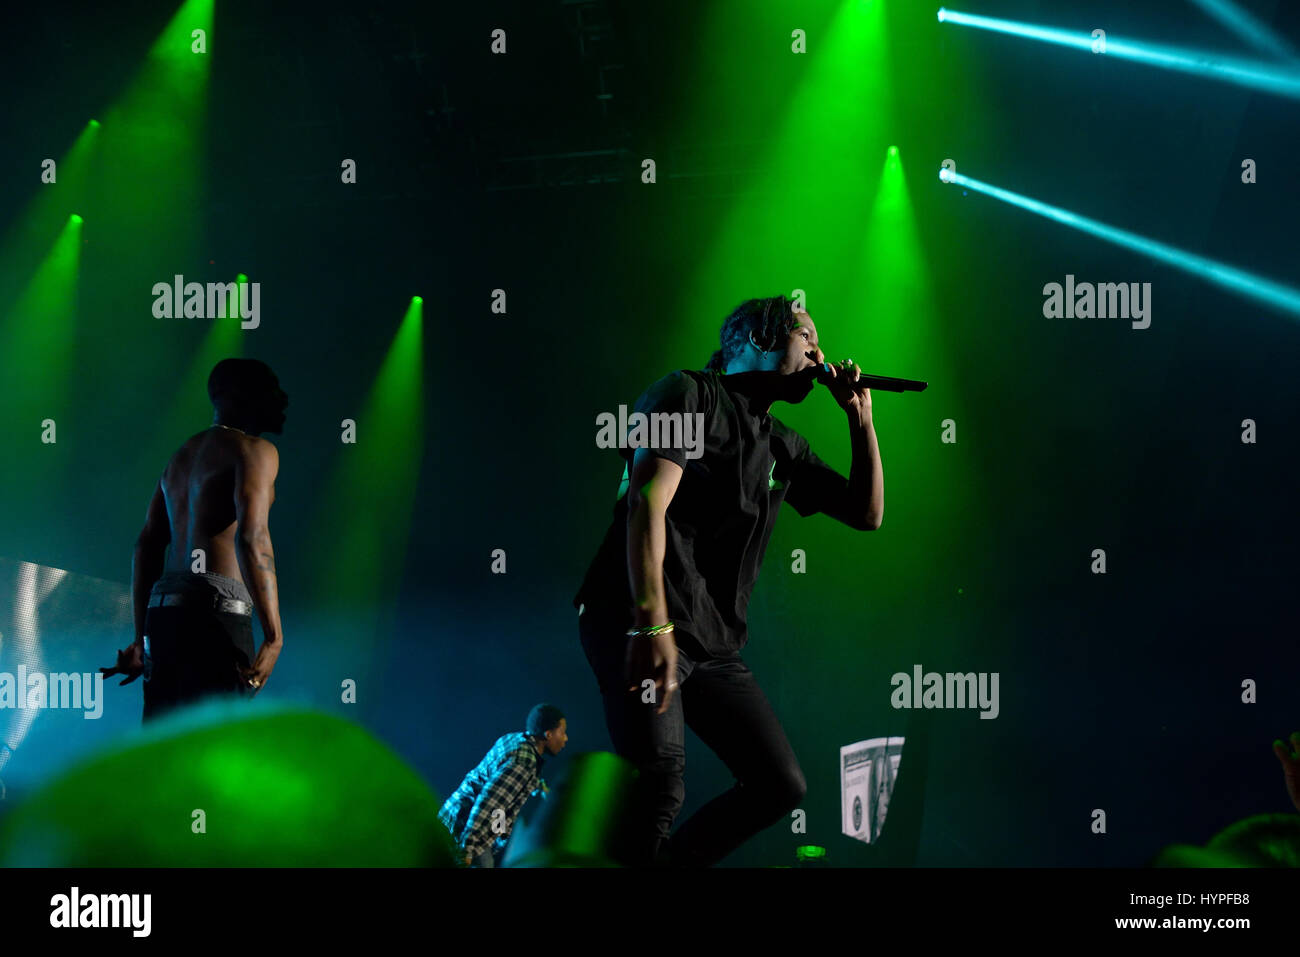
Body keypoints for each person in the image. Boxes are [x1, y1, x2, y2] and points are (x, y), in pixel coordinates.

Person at [573, 295, 884, 867]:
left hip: (710, 643)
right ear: (755, 340)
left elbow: (867, 513)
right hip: (636, 616)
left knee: (779, 785)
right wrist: (652, 625)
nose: (820, 351)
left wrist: (860, 420)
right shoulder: (686, 394)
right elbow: (647, 504)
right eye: (805, 335)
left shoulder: (783, 445)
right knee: (660, 785)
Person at [100, 358, 289, 722]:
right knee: (216, 751)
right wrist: (274, 637)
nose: (284, 399)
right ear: (241, 395)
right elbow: (252, 538)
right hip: (215, 616)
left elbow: (146, 546)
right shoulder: (255, 451)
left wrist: (141, 641)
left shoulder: (180, 457)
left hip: (164, 617)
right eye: (272, 388)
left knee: (166, 745)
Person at [439, 704, 568, 867]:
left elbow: (506, 781)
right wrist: (467, 849)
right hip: (467, 829)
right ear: (548, 734)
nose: (565, 738)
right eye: (562, 732)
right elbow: (488, 802)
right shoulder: (525, 763)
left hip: (455, 817)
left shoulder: (515, 739)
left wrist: (538, 786)